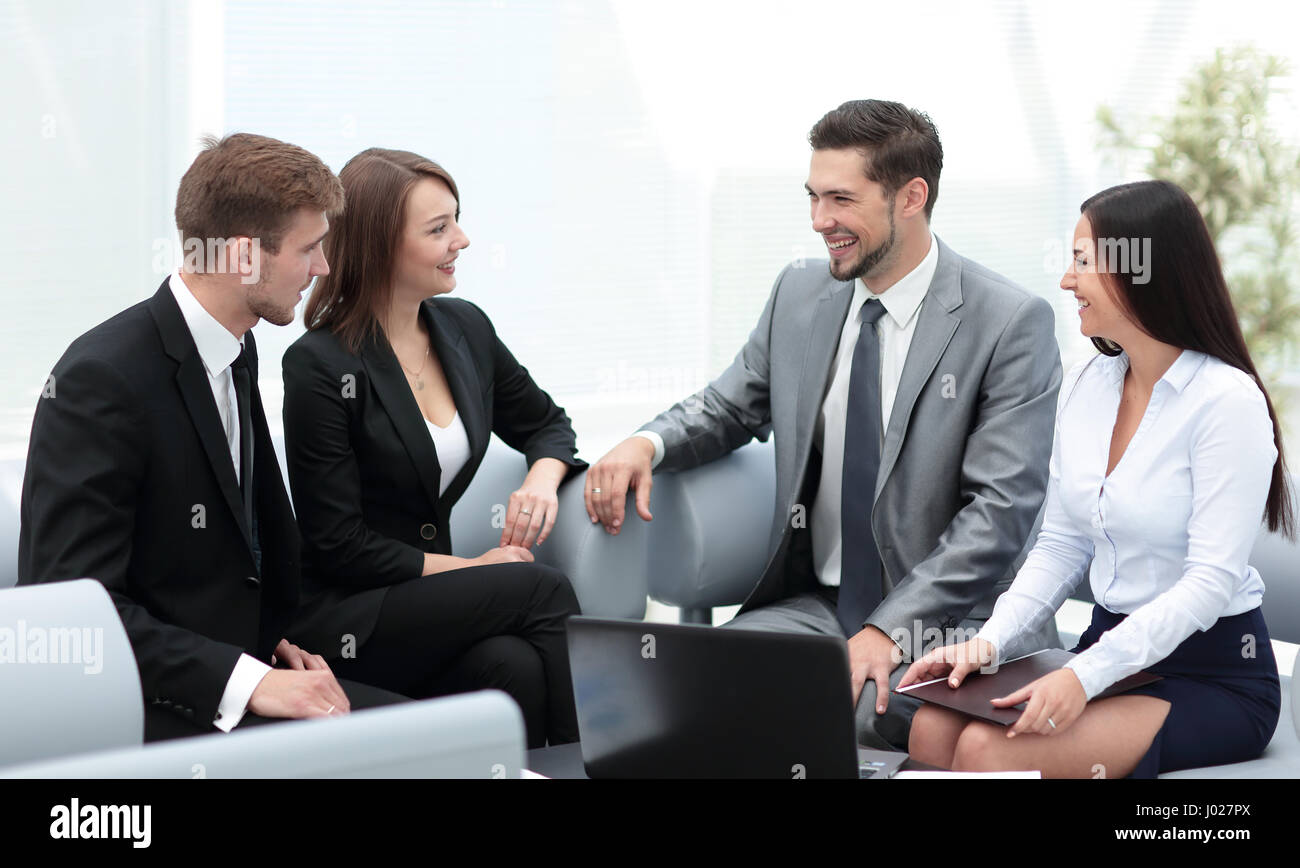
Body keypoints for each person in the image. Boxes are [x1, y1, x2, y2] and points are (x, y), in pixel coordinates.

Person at [585, 99, 1063, 749]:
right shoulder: (800, 293)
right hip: (819, 610)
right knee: (686, 687)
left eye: (840, 200)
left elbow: (1000, 513)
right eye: (812, 198)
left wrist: (889, 629)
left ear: (911, 196)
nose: (819, 222)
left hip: (950, 623)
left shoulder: (1008, 323)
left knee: (857, 712)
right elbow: (730, 404)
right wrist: (647, 443)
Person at [19, 132, 407, 741]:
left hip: (235, 667)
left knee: (458, 716)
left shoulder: (237, 344)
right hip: (151, 709)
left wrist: (271, 647)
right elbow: (72, 613)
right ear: (245, 257)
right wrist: (247, 682)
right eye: (310, 249)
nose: (323, 268)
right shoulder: (102, 380)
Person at [901, 179, 1293, 778]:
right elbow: (1061, 543)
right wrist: (991, 643)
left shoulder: (1224, 402)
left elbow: (1210, 583)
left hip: (1213, 672)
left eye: (1082, 262)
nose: (1066, 280)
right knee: (931, 726)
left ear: (1140, 271)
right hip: (1109, 649)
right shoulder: (1090, 386)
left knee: (985, 753)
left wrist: (1083, 677)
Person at [281, 148, 586, 748]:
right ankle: (606, 765)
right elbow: (339, 546)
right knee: (541, 589)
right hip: (351, 612)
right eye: (438, 229)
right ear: (378, 246)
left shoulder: (464, 328)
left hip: (427, 603)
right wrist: (472, 571)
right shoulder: (319, 365)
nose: (463, 240)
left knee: (513, 668)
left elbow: (548, 424)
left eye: (457, 220)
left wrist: (541, 480)